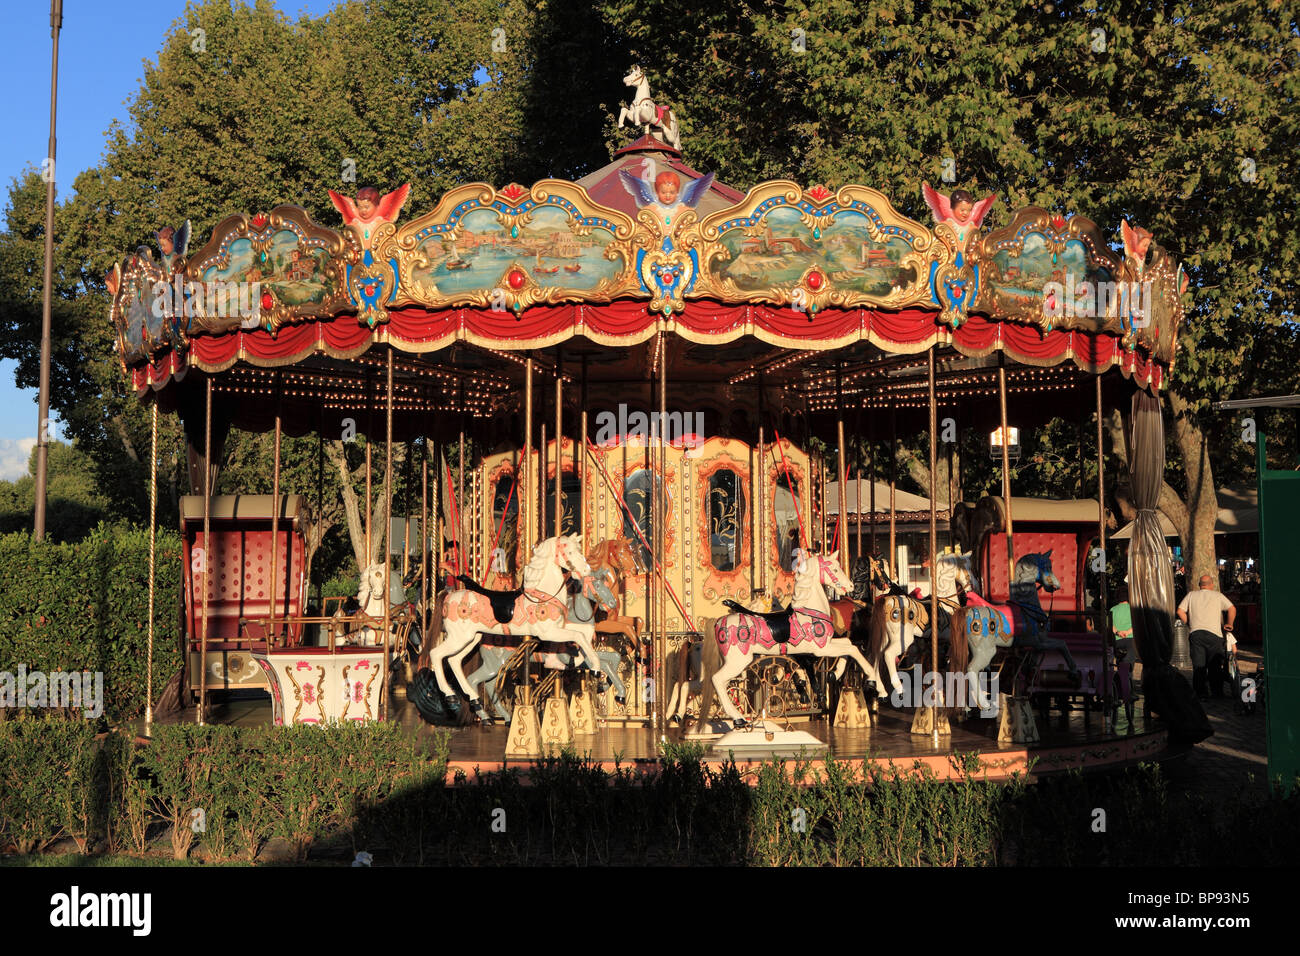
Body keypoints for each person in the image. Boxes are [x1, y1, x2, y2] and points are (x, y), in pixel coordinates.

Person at [1177, 573, 1236, 700]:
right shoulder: (1218, 596)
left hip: (1196, 633)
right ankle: (1217, 693)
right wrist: (1229, 624)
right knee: (1214, 665)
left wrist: (1189, 622)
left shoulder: (1191, 595)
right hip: (1214, 635)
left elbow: (1180, 611)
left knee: (1199, 666)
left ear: (1199, 585)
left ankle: (1200, 693)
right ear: (1212, 584)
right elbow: (1232, 608)